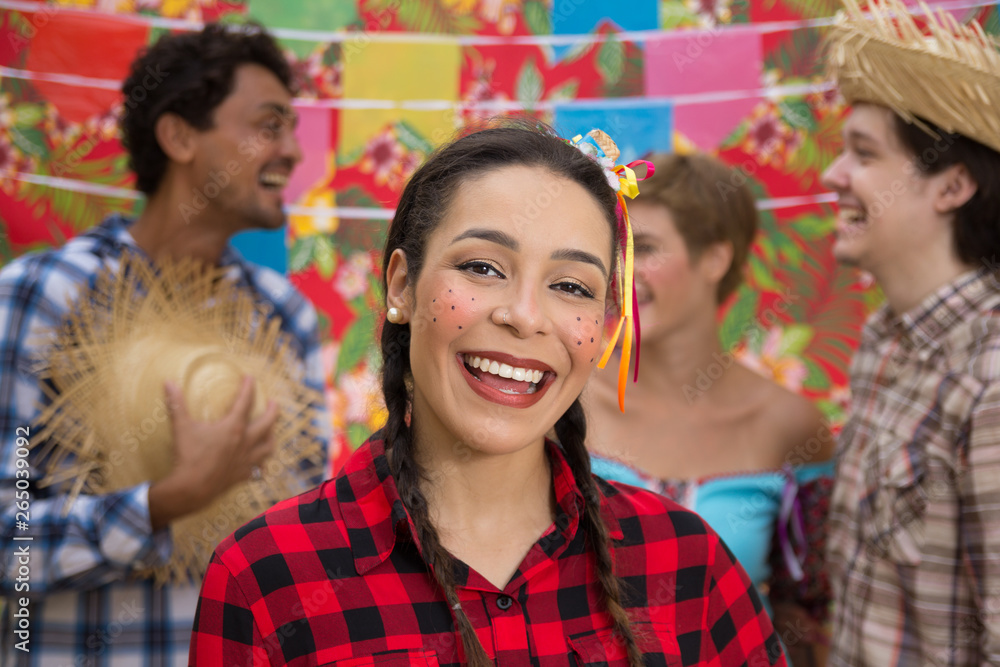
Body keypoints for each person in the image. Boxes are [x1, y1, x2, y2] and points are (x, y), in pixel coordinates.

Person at [188, 123, 787, 666]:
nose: (525, 317)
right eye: (482, 268)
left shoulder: (687, 563)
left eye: (571, 285)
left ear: (602, 327)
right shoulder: (266, 578)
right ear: (401, 286)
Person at [0, 24, 327, 664]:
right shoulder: (39, 299)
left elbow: (300, 554)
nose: (293, 151)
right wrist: (162, 504)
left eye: (292, 128)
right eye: (268, 125)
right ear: (179, 136)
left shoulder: (283, 317)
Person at [585, 151, 833, 665]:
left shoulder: (790, 427)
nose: (619, 268)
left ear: (715, 260)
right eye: (614, 248)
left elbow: (805, 615)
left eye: (645, 247)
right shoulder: (565, 402)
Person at [821, 1, 1000, 664]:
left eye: (863, 154)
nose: (832, 176)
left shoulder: (991, 380)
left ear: (952, 185)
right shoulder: (883, 340)